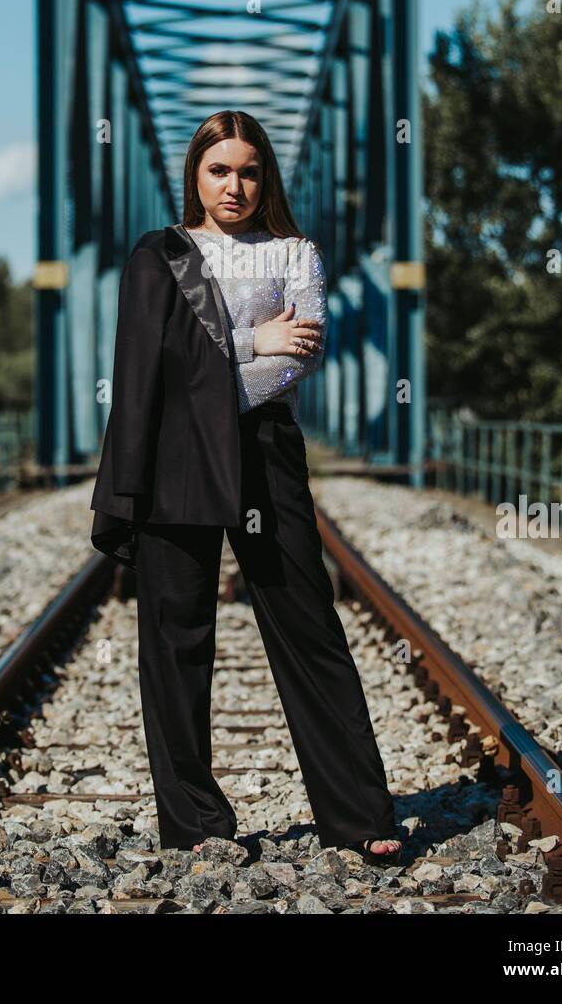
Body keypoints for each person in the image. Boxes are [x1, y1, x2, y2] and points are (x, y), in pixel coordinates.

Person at [90, 109, 401, 863]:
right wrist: (247, 342)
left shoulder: (295, 254)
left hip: (265, 452)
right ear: (193, 174)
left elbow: (299, 356)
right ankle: (194, 823)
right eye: (219, 169)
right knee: (176, 634)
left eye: (250, 170)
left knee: (308, 624)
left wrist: (217, 366)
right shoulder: (158, 256)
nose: (235, 185)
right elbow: (146, 364)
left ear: (268, 178)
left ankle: (359, 817)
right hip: (175, 461)